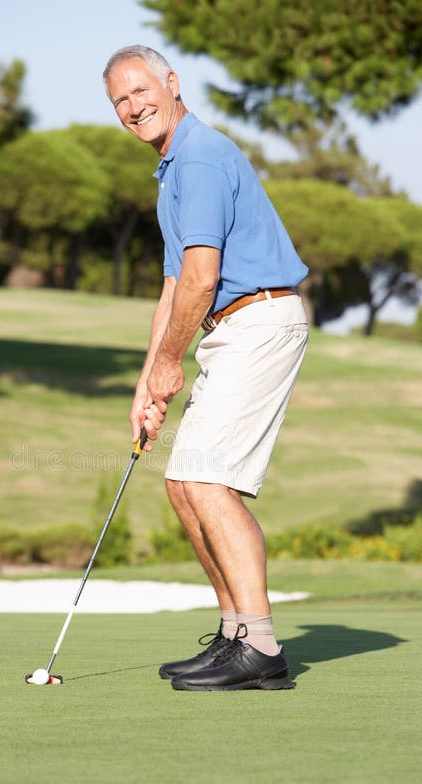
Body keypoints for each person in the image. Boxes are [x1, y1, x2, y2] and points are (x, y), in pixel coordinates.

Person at [103, 45, 309, 691]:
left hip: (260, 319)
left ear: (172, 82)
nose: (133, 106)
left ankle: (261, 647)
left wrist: (171, 363)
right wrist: (148, 382)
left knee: (210, 481)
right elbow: (173, 288)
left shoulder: (200, 156)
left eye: (141, 90)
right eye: (119, 100)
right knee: (182, 483)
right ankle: (235, 634)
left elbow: (202, 277)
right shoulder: (173, 171)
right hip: (230, 327)